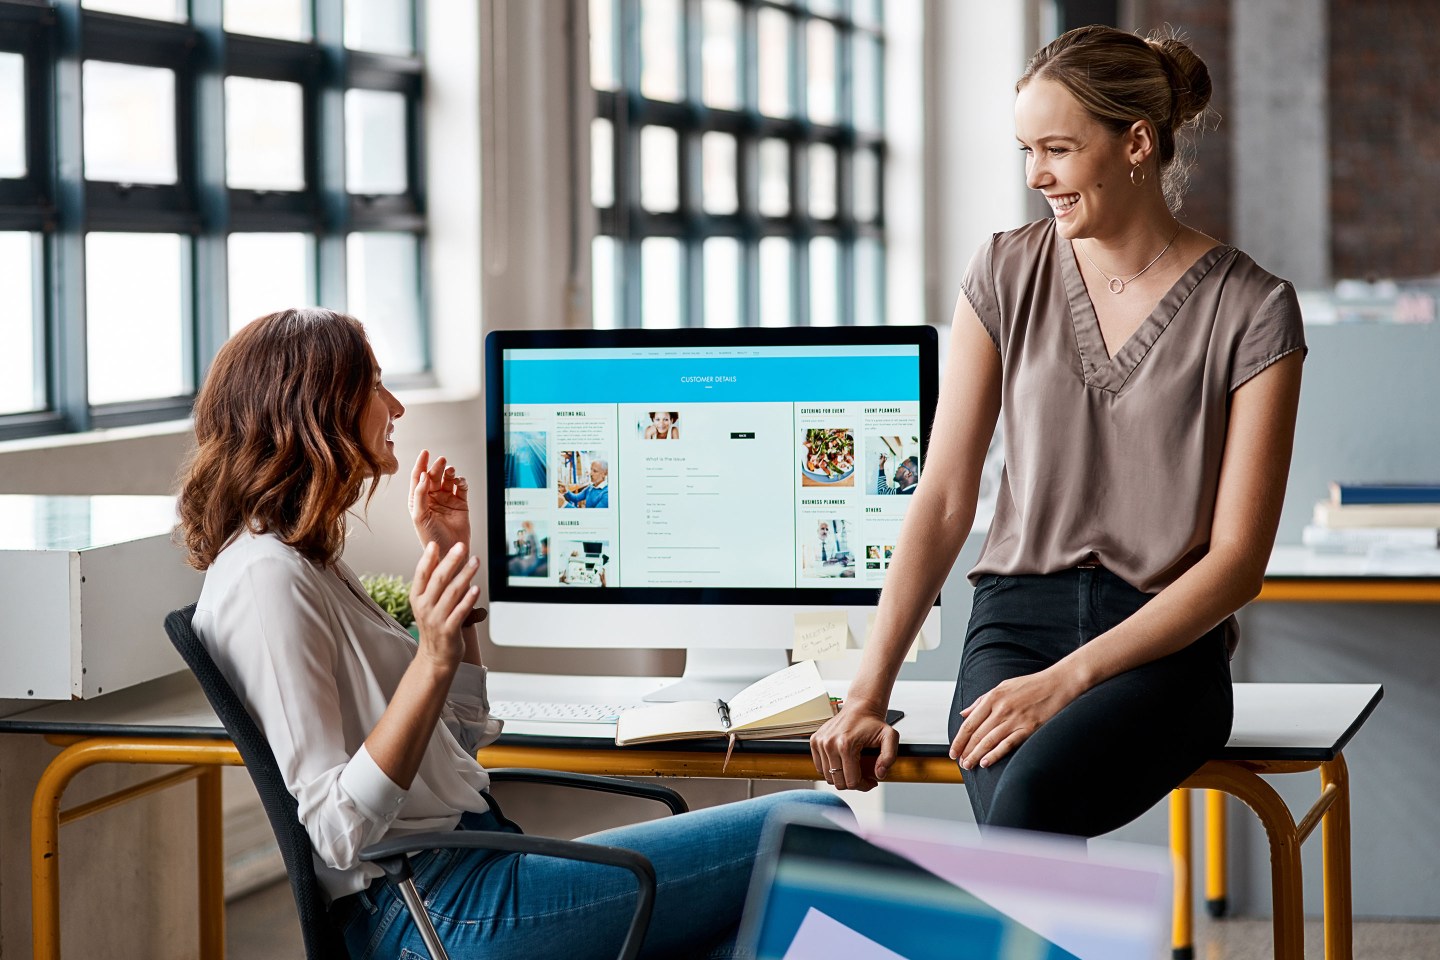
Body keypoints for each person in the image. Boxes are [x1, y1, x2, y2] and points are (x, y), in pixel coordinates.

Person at [178, 308, 846, 960]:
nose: (396, 408)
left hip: (472, 869)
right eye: (375, 385)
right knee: (815, 824)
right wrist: (430, 662)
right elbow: (337, 831)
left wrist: (447, 561)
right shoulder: (268, 579)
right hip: (438, 907)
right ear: (317, 409)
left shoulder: (307, 561)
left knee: (766, 928)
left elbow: (465, 732)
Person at [809, 26, 1305, 840]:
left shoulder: (1253, 309)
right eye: (1025, 149)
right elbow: (941, 499)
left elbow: (1237, 565)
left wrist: (1068, 680)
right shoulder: (1003, 271)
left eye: (1058, 149)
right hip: (1013, 622)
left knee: (1027, 809)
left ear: (1136, 142)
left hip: (1163, 640)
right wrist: (867, 692)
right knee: (1021, 819)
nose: (1036, 174)